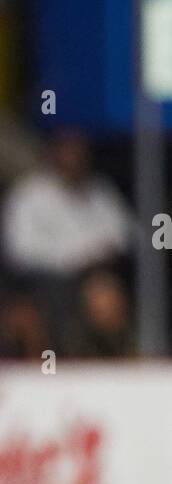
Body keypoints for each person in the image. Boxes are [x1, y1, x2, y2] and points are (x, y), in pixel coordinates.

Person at [1, 129, 132, 349]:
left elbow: (125, 233)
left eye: (79, 151)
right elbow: (20, 249)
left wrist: (98, 256)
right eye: (69, 150)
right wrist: (73, 259)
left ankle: (114, 359)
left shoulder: (100, 191)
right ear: (54, 153)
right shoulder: (29, 194)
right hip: (44, 283)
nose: (75, 157)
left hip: (94, 277)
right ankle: (59, 364)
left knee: (105, 295)